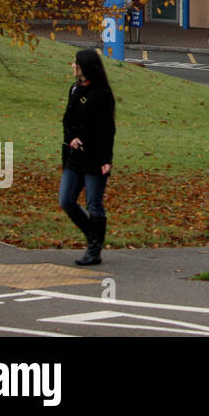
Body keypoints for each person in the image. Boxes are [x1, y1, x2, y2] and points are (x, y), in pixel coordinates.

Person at [60, 48, 116, 265]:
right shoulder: (75, 89)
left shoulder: (102, 94)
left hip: (95, 158)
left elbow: (107, 129)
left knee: (94, 204)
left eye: (76, 63)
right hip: (75, 157)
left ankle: (94, 249)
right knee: (66, 201)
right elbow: (67, 118)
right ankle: (93, 235)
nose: (73, 66)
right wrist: (71, 137)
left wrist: (106, 160)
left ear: (85, 67)